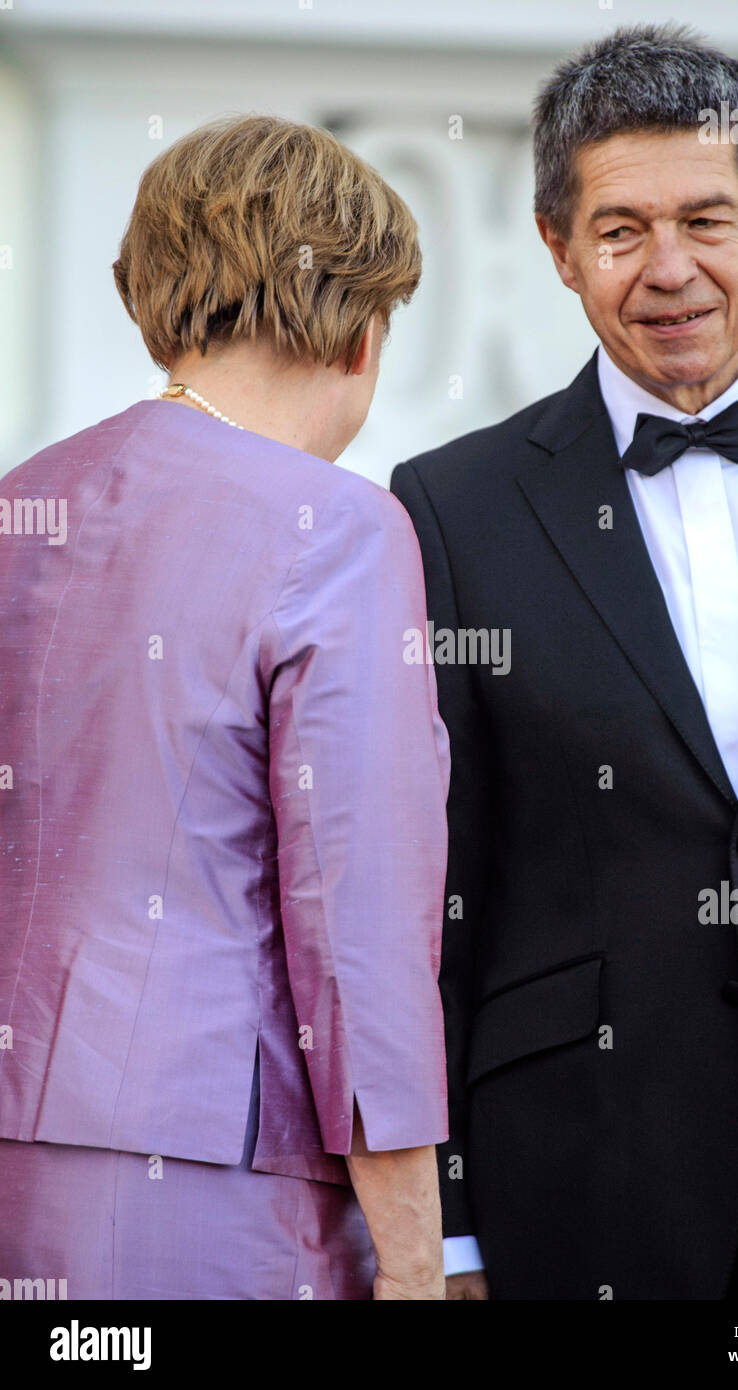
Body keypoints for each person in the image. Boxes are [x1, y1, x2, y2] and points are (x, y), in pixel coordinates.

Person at [391, 23, 738, 1300]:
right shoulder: (448, 506)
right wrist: (447, 1224)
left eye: (707, 221)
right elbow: (433, 886)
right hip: (581, 1169)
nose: (668, 269)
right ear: (557, 250)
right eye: (621, 231)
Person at [0, 114, 450, 1301]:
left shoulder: (19, 501)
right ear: (362, 325)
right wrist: (414, 1255)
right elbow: (358, 927)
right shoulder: (343, 526)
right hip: (214, 1178)